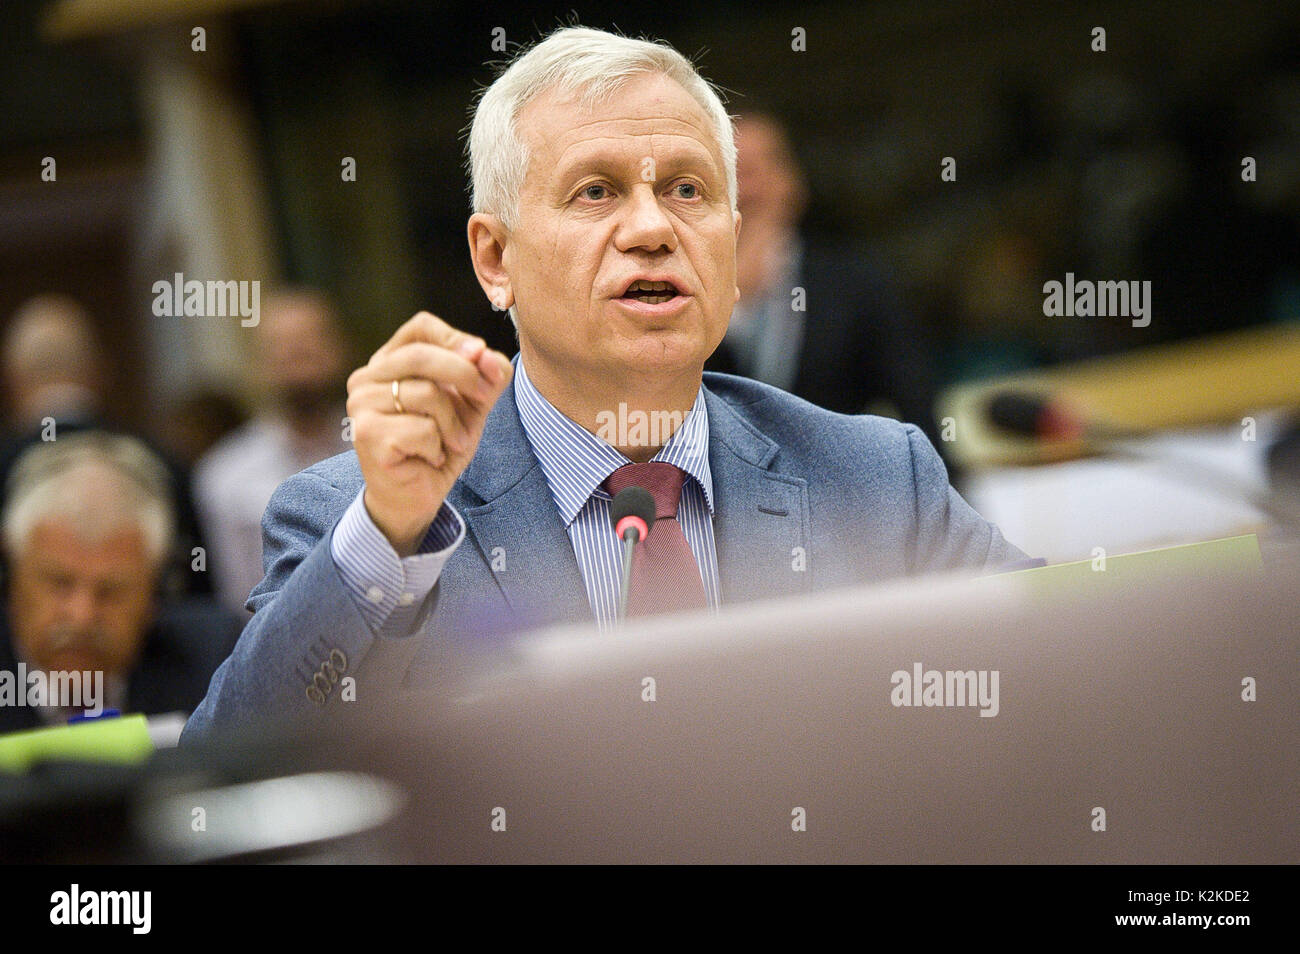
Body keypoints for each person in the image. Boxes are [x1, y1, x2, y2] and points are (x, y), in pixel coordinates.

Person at [182, 27, 1028, 744]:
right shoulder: (364, 521)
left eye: (686, 191)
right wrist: (386, 538)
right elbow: (222, 778)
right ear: (494, 258)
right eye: (597, 192)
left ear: (732, 250)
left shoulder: (876, 479)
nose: (654, 228)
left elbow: (1065, 682)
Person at [706, 112, 942, 445]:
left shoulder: (855, 283)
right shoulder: (675, 298)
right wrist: (734, 303)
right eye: (734, 173)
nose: (750, 190)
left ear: (793, 184)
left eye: (761, 169)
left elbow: (916, 404)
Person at [0, 433, 241, 733]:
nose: (82, 617)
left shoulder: (215, 663)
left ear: (155, 590)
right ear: (11, 574)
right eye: (59, 583)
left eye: (111, 591)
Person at [0, 294, 212, 597]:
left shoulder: (4, 466)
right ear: (99, 371)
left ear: (11, 379)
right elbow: (200, 590)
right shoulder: (168, 465)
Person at [192, 288, 352, 614]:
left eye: (311, 339)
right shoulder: (224, 475)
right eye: (281, 345)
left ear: (341, 349)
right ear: (257, 364)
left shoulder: (387, 448)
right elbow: (238, 601)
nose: (297, 353)